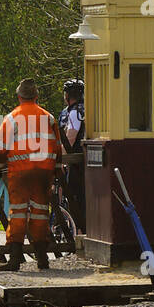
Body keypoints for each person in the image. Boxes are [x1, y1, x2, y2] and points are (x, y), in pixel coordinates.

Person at [0, 78, 63, 272]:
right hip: (44, 172)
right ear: (36, 96)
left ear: (19, 96)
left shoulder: (12, 118)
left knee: (18, 212)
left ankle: (14, 259)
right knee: (40, 212)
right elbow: (57, 146)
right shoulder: (49, 118)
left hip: (20, 172)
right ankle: (42, 259)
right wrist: (57, 167)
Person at [59, 78, 87, 235]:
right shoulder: (87, 108)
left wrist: (59, 157)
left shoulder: (74, 112)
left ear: (67, 95)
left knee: (73, 195)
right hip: (84, 159)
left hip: (75, 161)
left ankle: (79, 230)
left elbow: (70, 137)